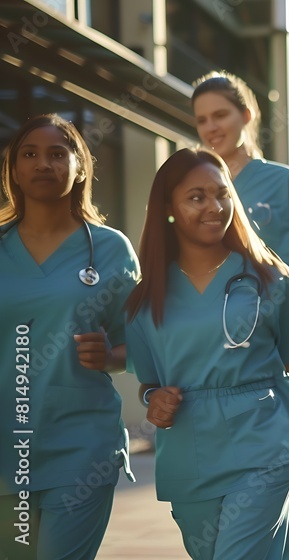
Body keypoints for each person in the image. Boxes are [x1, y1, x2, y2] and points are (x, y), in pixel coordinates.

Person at [124, 148, 289, 559]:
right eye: (196, 197)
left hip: (266, 442)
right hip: (189, 454)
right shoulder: (146, 297)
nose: (214, 207)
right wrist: (152, 400)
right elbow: (150, 382)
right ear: (168, 208)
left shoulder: (269, 276)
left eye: (222, 194)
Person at [191, 70, 289, 558]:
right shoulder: (194, 189)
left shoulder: (283, 183)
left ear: (247, 114)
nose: (211, 127)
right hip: (219, 360)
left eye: (221, 114)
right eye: (201, 120)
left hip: (288, 352)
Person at [0, 114, 138, 559]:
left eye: (58, 153)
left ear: (80, 166)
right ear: (14, 169)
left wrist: (110, 356)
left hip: (81, 450)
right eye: (30, 154)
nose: (44, 163)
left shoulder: (111, 249)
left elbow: (144, 341)